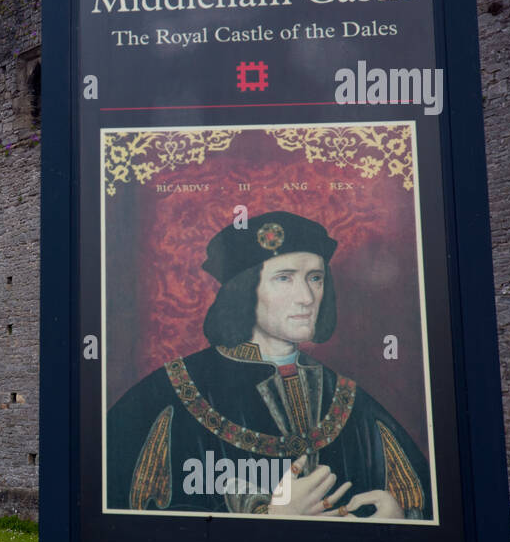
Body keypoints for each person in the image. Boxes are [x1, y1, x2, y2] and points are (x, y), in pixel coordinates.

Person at [106, 210, 432, 520]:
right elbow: (129, 520)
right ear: (245, 290)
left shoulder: (348, 399)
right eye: (284, 278)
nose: (306, 296)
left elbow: (426, 509)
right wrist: (273, 516)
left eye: (315, 278)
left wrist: (400, 518)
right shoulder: (169, 394)